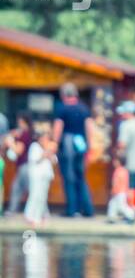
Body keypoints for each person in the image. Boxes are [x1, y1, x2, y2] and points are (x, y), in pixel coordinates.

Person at [52, 83, 94, 217]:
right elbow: (89, 128)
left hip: (66, 147)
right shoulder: (84, 108)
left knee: (68, 177)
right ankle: (87, 210)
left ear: (63, 95)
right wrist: (90, 146)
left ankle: (72, 210)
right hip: (81, 147)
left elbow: (58, 127)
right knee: (81, 177)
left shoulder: (62, 109)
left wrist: (54, 143)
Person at [24, 129, 57, 227]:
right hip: (36, 176)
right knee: (35, 195)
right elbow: (35, 159)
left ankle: (40, 216)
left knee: (42, 197)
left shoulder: (48, 148)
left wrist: (50, 152)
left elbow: (54, 160)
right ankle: (30, 216)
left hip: (45, 176)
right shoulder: (35, 147)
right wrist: (46, 153)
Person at [4, 113, 34, 215]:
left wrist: (10, 143)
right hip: (24, 165)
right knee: (17, 188)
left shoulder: (25, 134)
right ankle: (12, 210)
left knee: (29, 189)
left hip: (24, 166)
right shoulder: (27, 133)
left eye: (20, 122)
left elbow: (18, 151)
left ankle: (41, 210)